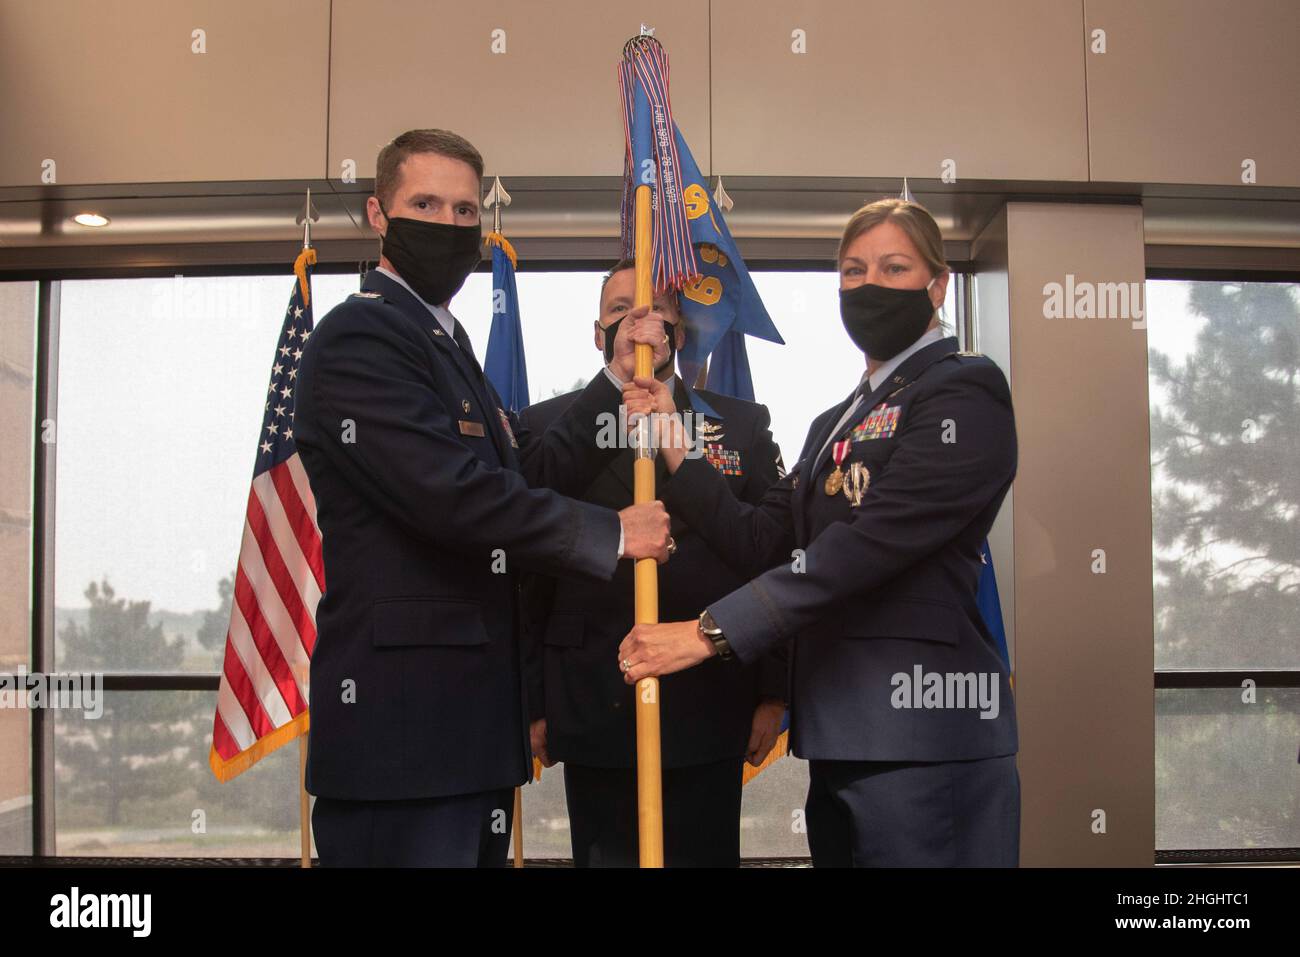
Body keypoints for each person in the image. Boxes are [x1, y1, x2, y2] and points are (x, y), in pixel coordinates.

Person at [295, 129, 671, 867]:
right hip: (402, 746)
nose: (448, 224)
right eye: (425, 203)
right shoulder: (360, 338)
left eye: (466, 211)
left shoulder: (447, 342)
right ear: (378, 213)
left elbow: (521, 467)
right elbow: (452, 496)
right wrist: (613, 534)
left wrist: (616, 381)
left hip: (467, 740)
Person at [617, 198, 1021, 867]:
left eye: (895, 267)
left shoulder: (963, 392)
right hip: (839, 737)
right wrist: (672, 438)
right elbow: (758, 539)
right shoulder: (836, 420)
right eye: (853, 271)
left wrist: (707, 631)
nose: (870, 286)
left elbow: (863, 550)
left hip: (925, 742)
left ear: (939, 284)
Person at [519, 259, 787, 867]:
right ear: (599, 335)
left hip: (712, 696)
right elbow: (528, 572)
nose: (640, 323)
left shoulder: (740, 427)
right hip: (589, 700)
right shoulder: (544, 426)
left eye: (656, 312)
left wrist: (773, 692)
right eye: (620, 312)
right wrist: (534, 702)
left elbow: (770, 561)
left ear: (679, 334)